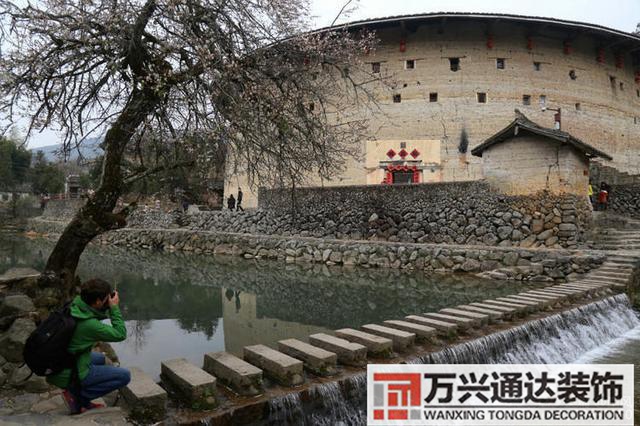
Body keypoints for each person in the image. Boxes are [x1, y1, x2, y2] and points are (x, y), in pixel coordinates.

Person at [47, 279, 129, 414]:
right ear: (97, 302)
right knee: (124, 376)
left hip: (60, 361)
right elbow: (120, 334)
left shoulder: (75, 304)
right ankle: (78, 397)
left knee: (100, 359)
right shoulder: (89, 325)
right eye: (105, 299)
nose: (108, 301)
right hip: (66, 371)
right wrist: (114, 308)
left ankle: (75, 390)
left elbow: (93, 314)